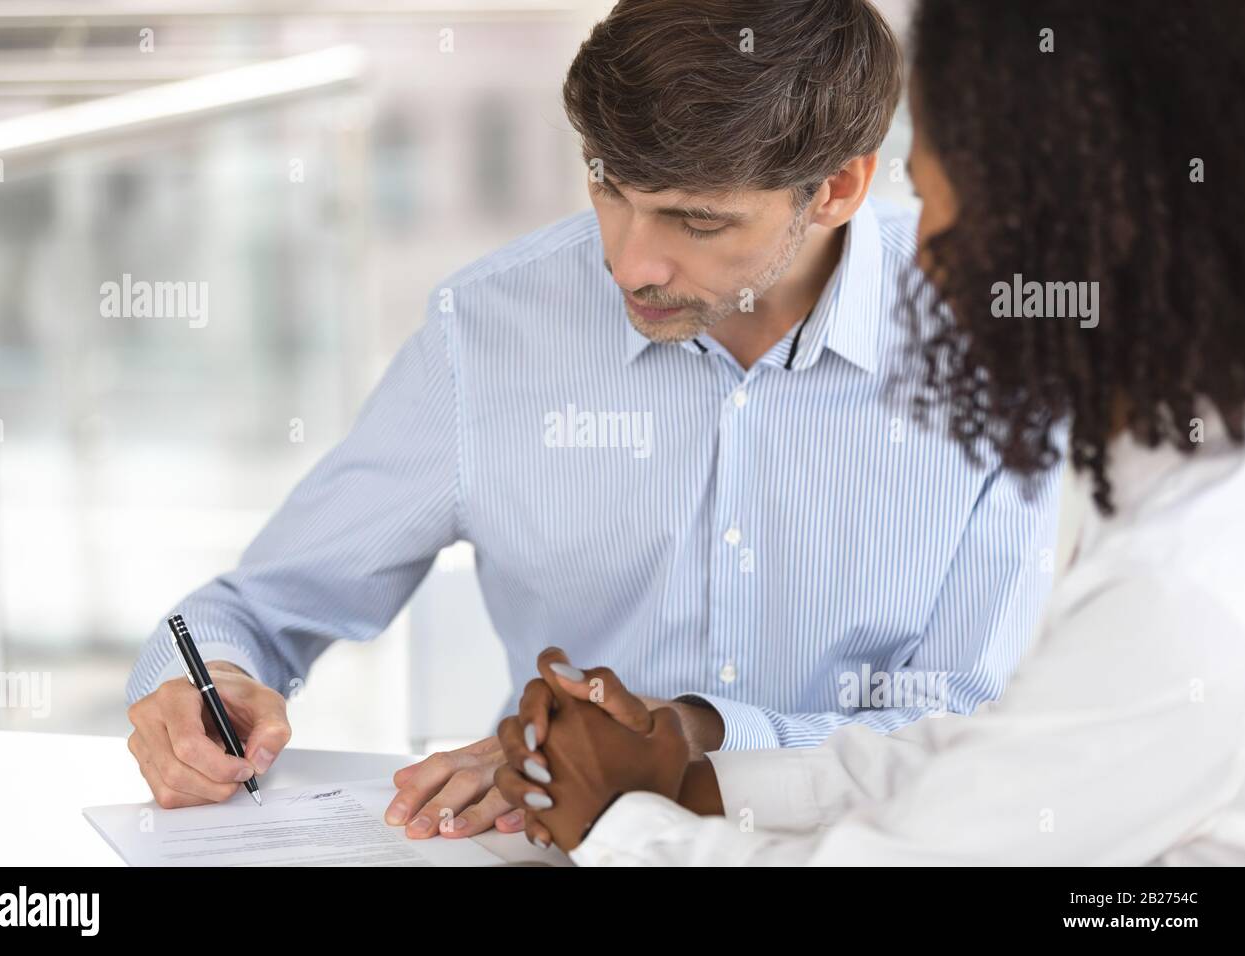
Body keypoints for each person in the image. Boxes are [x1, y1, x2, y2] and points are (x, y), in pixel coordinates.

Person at [124, 0, 1061, 841]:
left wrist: (687, 747)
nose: (629, 263)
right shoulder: (489, 332)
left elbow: (975, 720)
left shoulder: (998, 348)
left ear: (839, 189)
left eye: (697, 221)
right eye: (609, 188)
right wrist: (211, 684)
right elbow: (259, 607)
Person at [494, 0, 1245, 864]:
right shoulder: (1181, 488)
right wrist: (691, 779)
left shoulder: (1182, 593)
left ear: (1074, 223)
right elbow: (990, 759)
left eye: (931, 197)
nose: (920, 257)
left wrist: (619, 825)